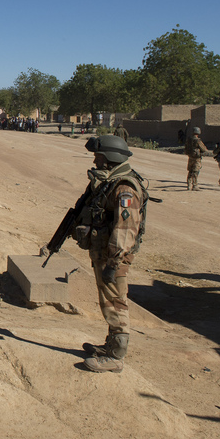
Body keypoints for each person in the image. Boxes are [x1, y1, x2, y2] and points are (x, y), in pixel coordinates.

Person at [71, 135, 149, 373]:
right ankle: (110, 346)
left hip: (113, 259)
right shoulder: (110, 182)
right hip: (104, 254)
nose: (95, 160)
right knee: (108, 302)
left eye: (99, 156)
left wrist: (113, 265)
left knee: (116, 304)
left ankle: (116, 357)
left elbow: (125, 231)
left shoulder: (125, 189)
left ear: (110, 158)